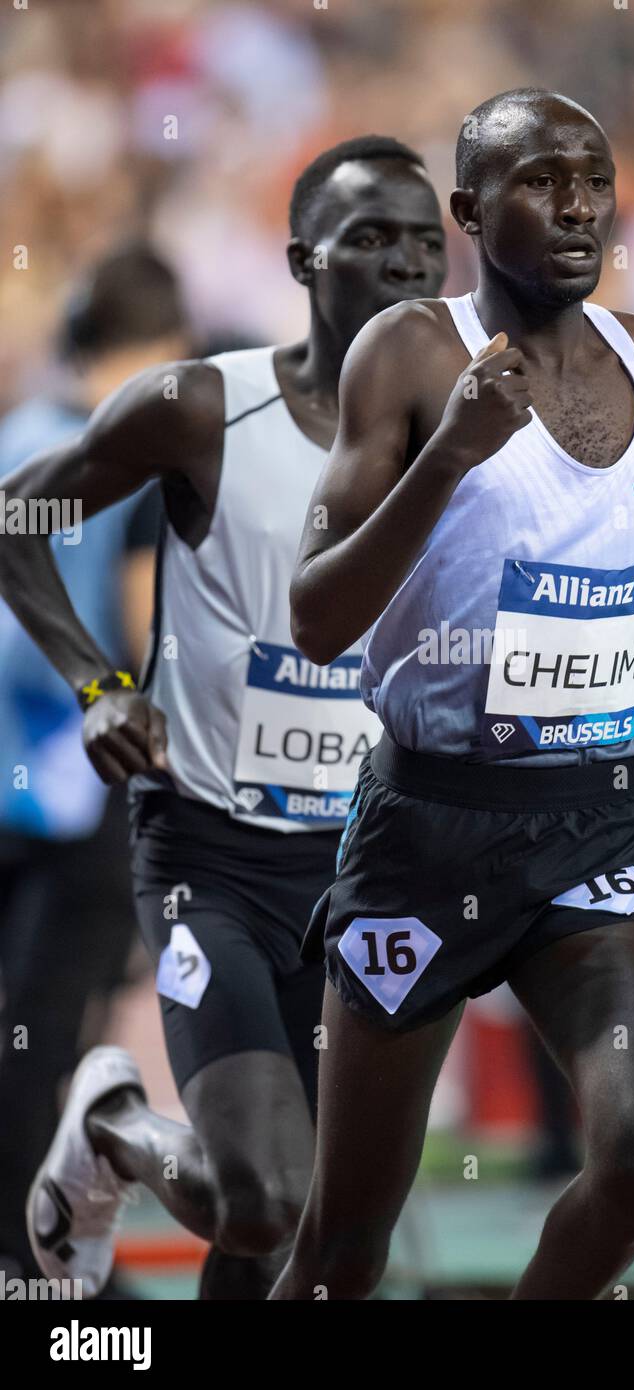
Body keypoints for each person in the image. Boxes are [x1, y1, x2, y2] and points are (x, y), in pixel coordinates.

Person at [272, 88, 634, 1301]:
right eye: (539, 181)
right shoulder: (412, 354)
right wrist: (449, 455)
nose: (576, 205)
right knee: (341, 1250)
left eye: (592, 177)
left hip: (590, 826)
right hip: (426, 832)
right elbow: (315, 616)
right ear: (473, 212)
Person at [0, 136, 447, 1300]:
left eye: (422, 243)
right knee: (260, 1193)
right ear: (304, 258)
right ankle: (107, 1128)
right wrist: (102, 685)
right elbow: (15, 518)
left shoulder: (459, 440)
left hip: (362, 871)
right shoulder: (203, 404)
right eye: (369, 240)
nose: (403, 266)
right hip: (212, 856)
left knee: (291, 1239)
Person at [0, 243, 179, 1293]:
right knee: (49, 1032)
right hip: (83, 775)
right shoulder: (128, 464)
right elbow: (149, 634)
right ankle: (38, 1259)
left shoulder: (15, 434)